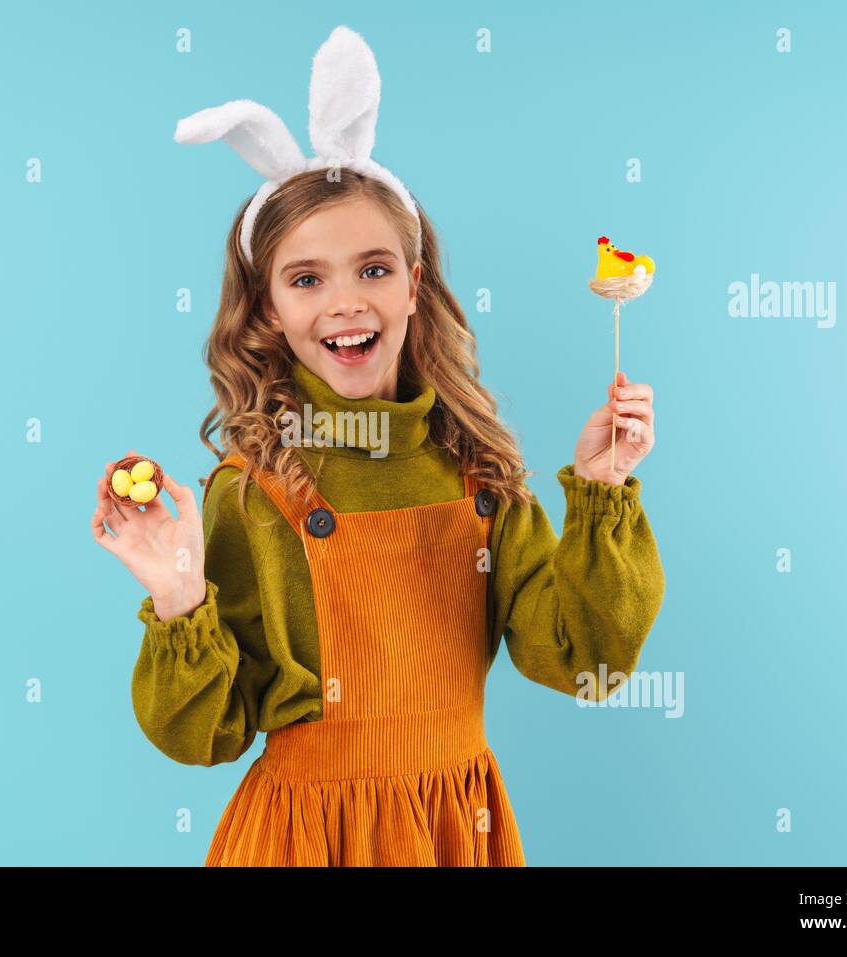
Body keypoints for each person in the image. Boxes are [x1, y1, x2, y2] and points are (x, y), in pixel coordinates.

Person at [91, 25, 665, 866]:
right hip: (301, 841)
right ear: (267, 311)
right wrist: (179, 594)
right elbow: (203, 734)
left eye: (373, 268)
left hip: (451, 831)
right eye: (306, 278)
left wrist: (604, 490)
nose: (345, 302)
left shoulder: (481, 473)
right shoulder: (254, 489)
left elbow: (587, 657)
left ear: (413, 284)